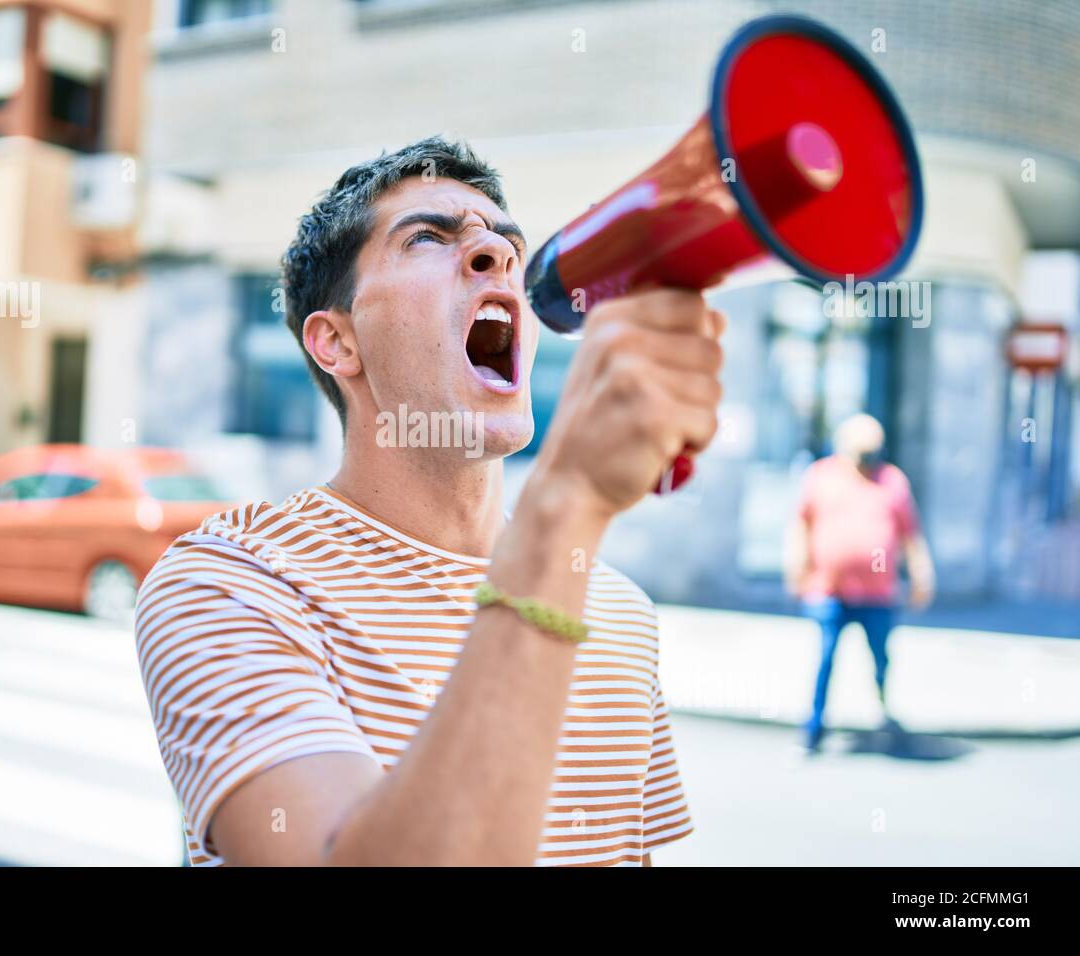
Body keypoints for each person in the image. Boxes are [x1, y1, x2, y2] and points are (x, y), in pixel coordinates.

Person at [135, 137, 725, 866]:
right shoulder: (228, 584)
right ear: (335, 343)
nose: (494, 254)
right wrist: (566, 500)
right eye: (427, 238)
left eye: (506, 244)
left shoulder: (620, 613)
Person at [784, 413, 936, 753]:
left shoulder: (891, 481)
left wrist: (921, 573)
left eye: (872, 453)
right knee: (825, 659)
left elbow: (911, 533)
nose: (866, 461)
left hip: (878, 594)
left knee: (881, 657)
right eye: (860, 453)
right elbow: (801, 523)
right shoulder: (820, 476)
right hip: (829, 590)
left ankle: (883, 709)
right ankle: (813, 729)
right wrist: (797, 566)